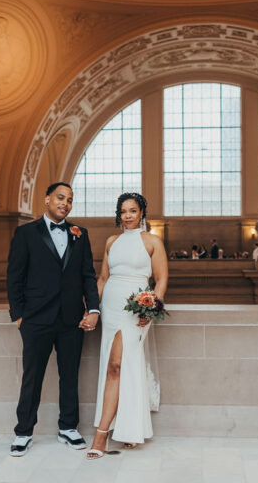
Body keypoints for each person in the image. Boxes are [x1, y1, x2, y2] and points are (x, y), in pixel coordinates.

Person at [6, 182, 100, 457]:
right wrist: (19, 315)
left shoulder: (80, 234)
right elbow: (15, 277)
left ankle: (68, 427)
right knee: (32, 377)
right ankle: (23, 432)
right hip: (35, 319)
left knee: (69, 375)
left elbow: (87, 276)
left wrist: (92, 309)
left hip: (71, 319)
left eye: (70, 200)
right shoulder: (25, 233)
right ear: (47, 199)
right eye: (60, 198)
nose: (65, 203)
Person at [87, 192, 168, 460]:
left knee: (117, 365)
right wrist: (92, 310)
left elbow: (161, 279)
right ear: (118, 214)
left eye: (133, 210)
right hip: (110, 308)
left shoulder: (153, 242)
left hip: (135, 312)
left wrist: (151, 309)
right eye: (123, 211)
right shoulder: (112, 241)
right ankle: (127, 429)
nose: (128, 216)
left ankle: (101, 435)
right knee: (116, 367)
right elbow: (102, 278)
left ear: (142, 212)